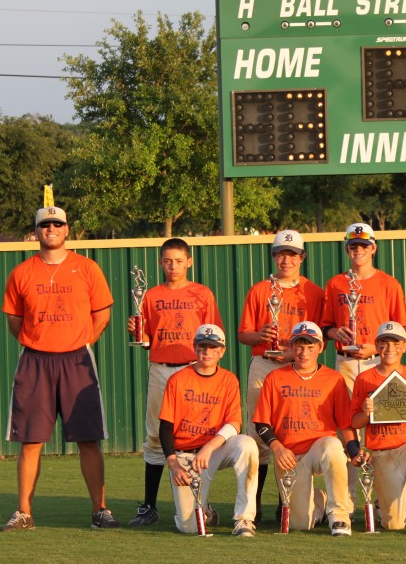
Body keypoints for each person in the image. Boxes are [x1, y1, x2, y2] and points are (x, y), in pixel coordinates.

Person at [1, 206, 118, 531]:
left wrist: (81, 342)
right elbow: (14, 320)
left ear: (67, 230)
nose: (51, 228)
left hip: (76, 361)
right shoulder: (22, 272)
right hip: (35, 361)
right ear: (36, 232)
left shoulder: (87, 268)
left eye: (57, 224)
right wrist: (39, 340)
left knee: (88, 438)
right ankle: (24, 513)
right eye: (45, 224)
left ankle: (100, 510)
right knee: (30, 440)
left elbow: (102, 315)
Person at [127, 238, 224, 527]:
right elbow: (148, 340)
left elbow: (214, 335)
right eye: (168, 261)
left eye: (179, 261)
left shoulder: (202, 293)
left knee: (196, 434)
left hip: (194, 368)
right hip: (161, 368)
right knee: (156, 435)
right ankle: (149, 505)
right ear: (160, 262)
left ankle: (203, 503)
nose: (173, 266)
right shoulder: (151, 295)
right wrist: (138, 332)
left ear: (189, 262)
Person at [237, 230, 324, 523]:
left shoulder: (313, 293)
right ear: (274, 256)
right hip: (263, 364)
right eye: (281, 254)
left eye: (292, 254)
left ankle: (285, 500)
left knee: (291, 432)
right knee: (257, 434)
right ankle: (254, 503)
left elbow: (321, 339)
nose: (286, 260)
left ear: (302, 257)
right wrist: (260, 335)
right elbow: (243, 334)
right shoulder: (260, 290)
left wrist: (293, 355)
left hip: (297, 367)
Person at [321, 222, 406, 505]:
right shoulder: (336, 283)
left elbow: (405, 329)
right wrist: (334, 332)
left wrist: (377, 346)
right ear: (347, 249)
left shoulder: (389, 283)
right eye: (353, 246)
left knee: (386, 427)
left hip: (379, 363)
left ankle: (390, 498)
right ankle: (345, 500)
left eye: (363, 245)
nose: (358, 250)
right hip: (346, 362)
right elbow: (324, 326)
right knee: (347, 426)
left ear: (373, 248)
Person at [251, 321, 363, 536]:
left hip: (319, 449)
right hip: (289, 455)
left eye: (310, 347)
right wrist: (277, 448)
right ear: (292, 347)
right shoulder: (275, 377)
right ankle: (320, 500)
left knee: (332, 445)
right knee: (300, 524)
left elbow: (345, 423)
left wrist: (354, 450)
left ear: (320, 347)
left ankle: (339, 515)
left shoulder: (333, 379)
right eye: (299, 347)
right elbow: (261, 423)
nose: (304, 353)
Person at [159, 324, 259, 536]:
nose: (207, 351)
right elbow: (165, 427)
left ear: (222, 351)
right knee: (189, 527)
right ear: (195, 348)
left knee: (247, 444)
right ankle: (206, 512)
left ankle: (244, 518)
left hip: (215, 450)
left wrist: (209, 447)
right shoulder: (177, 380)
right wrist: (173, 464)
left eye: (213, 347)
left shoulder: (228, 380)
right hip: (186, 455)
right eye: (202, 346)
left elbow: (234, 423)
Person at [349, 322, 406, 535]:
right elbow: (355, 422)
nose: (390, 348)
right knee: (394, 524)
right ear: (377, 346)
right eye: (384, 343)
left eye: (396, 343)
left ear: (404, 347)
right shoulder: (364, 379)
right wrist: (366, 413)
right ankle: (389, 504)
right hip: (382, 452)